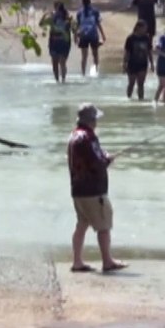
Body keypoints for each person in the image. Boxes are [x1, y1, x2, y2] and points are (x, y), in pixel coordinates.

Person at [67, 103, 126, 273]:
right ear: (91, 120)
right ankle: (107, 261)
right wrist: (108, 159)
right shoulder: (89, 137)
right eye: (96, 119)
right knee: (104, 226)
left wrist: (104, 157)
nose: (97, 122)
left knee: (81, 224)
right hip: (93, 191)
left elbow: (89, 158)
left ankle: (77, 261)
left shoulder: (73, 136)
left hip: (77, 190)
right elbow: (97, 163)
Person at [123, 20, 154, 101]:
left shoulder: (146, 38)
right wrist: (124, 63)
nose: (146, 29)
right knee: (131, 83)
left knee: (141, 84)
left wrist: (152, 63)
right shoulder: (130, 38)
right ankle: (128, 98)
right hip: (132, 63)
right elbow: (127, 52)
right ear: (138, 28)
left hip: (143, 64)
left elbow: (149, 51)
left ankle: (141, 100)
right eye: (144, 28)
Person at [75, 0, 107, 76]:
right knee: (95, 54)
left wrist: (75, 36)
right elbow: (98, 24)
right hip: (93, 35)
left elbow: (77, 25)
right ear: (90, 2)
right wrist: (103, 35)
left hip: (83, 35)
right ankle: (96, 70)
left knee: (84, 56)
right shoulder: (95, 11)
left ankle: (83, 73)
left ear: (82, 3)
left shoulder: (79, 12)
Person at [44, 1, 73, 83]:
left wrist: (45, 15)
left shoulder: (66, 17)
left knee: (57, 62)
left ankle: (60, 80)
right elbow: (74, 28)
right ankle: (61, 81)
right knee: (60, 62)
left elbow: (41, 23)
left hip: (58, 42)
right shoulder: (65, 17)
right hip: (61, 42)